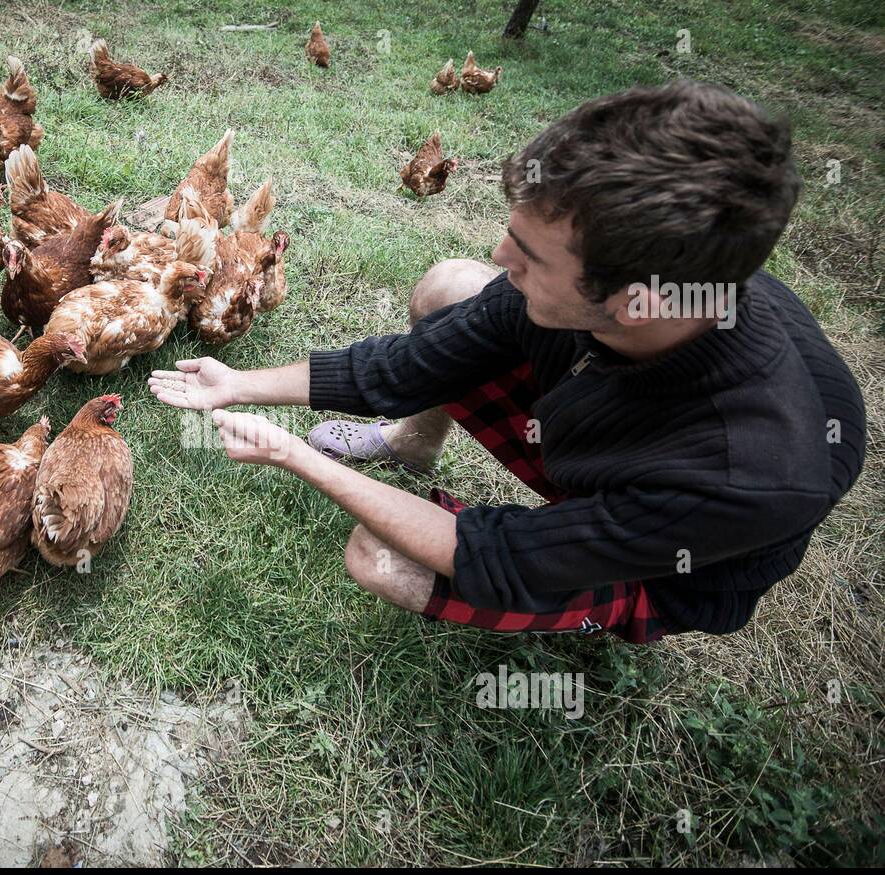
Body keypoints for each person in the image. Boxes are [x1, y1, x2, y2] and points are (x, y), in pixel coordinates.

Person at [148, 80, 866, 644]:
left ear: (638, 304)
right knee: (450, 289)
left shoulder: (753, 473)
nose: (502, 255)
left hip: (659, 555)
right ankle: (411, 444)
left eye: (530, 253)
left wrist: (300, 459)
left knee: (384, 553)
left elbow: (503, 555)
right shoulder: (655, 287)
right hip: (586, 435)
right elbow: (407, 366)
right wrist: (238, 383)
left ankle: (598, 617)